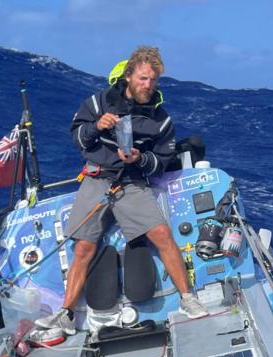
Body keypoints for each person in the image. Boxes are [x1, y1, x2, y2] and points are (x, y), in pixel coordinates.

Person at [36, 46, 208, 336]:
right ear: (128, 76)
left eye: (153, 80)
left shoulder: (161, 119)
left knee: (163, 235)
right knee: (84, 247)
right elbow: (77, 137)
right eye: (142, 79)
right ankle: (65, 314)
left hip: (131, 183)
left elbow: (162, 162)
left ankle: (187, 299)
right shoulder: (98, 102)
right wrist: (95, 127)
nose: (148, 85)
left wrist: (140, 159)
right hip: (97, 179)